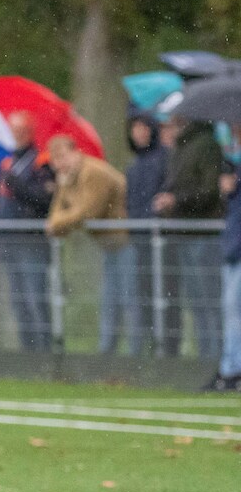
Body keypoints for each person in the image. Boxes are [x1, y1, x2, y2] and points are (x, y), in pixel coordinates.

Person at [43, 135, 131, 354]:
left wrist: (58, 222)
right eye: (55, 159)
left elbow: (87, 211)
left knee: (129, 300)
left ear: (75, 152)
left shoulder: (93, 172)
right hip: (108, 245)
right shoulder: (69, 178)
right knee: (110, 299)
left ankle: (134, 353)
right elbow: (56, 213)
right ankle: (107, 350)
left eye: (63, 156)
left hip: (125, 242)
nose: (60, 163)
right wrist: (62, 192)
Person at [153, 118, 225, 363]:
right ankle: (208, 359)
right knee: (198, 304)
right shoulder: (181, 148)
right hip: (185, 233)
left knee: (209, 302)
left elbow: (209, 191)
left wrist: (178, 201)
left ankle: (217, 359)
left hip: (202, 235)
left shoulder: (205, 145)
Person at [0, 111, 55, 351]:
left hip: (32, 242)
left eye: (21, 131)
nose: (16, 135)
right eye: (13, 130)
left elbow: (43, 198)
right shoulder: (8, 161)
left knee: (35, 298)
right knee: (18, 301)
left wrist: (16, 185)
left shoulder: (41, 161)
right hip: (10, 241)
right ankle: (27, 351)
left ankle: (44, 350)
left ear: (30, 133)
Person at [124, 111, 181, 357]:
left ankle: (168, 349)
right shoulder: (134, 166)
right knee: (145, 296)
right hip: (140, 241)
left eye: (144, 127)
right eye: (135, 128)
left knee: (167, 296)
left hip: (162, 241)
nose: (140, 132)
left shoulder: (165, 159)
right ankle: (149, 347)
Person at [205, 144, 240, 391]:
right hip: (232, 253)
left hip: (237, 251)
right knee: (229, 311)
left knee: (233, 310)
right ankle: (228, 368)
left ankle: (232, 370)